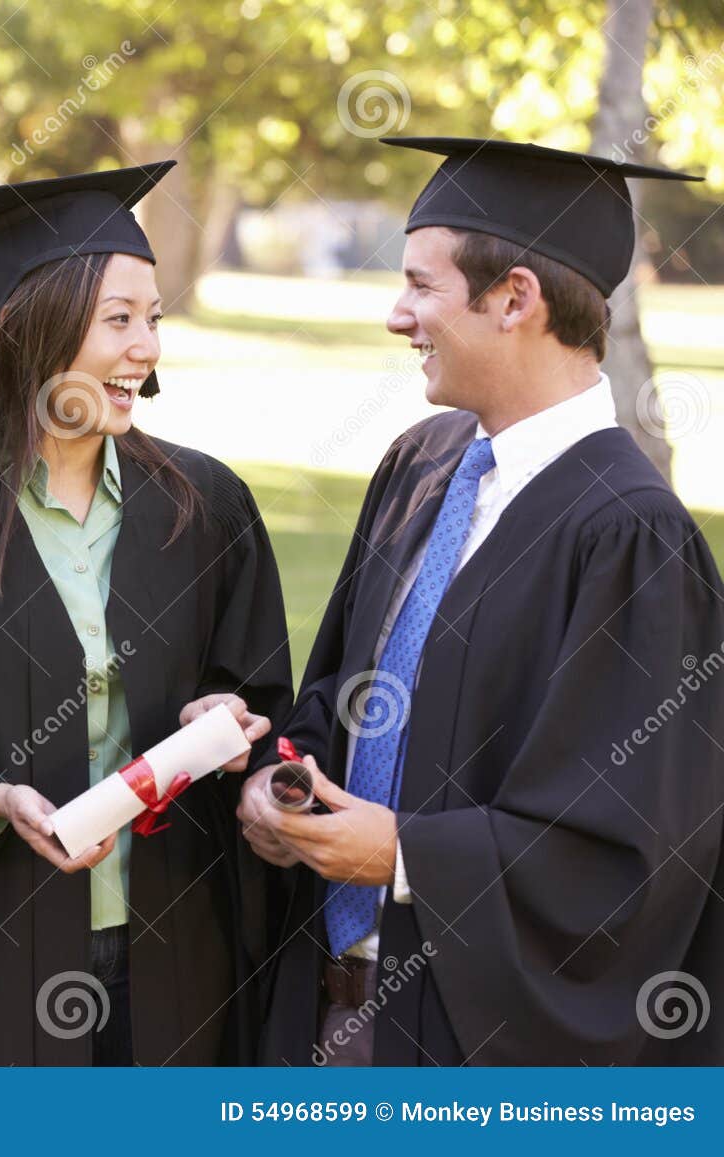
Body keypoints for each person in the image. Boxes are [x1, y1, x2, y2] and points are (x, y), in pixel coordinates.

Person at [249, 137, 724, 1066]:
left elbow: (630, 851)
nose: (397, 317)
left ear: (514, 298)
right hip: (327, 1009)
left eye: (421, 287)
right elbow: (342, 685)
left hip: (475, 1045)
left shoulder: (630, 536)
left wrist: (404, 858)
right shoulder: (421, 466)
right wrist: (287, 776)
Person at [0, 164, 293, 1065]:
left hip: (174, 949)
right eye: (119, 318)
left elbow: (258, 688)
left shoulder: (205, 507)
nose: (147, 345)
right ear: (32, 325)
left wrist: (225, 720)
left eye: (154, 316)